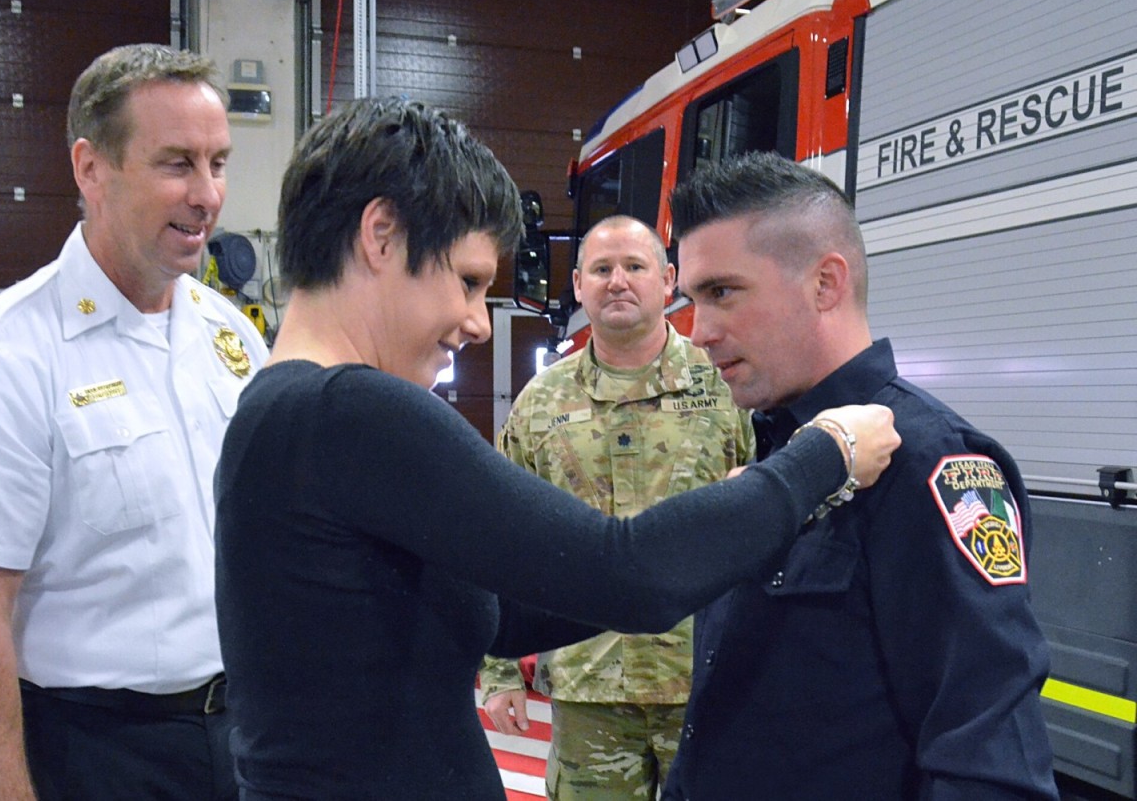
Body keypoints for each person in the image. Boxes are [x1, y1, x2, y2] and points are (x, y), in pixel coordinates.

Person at [212, 96, 899, 800]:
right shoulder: (348, 410)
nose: (479, 323)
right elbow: (625, 575)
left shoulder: (282, 412)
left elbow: (508, 610)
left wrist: (718, 543)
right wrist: (825, 455)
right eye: (470, 281)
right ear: (381, 236)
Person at [666, 150, 1058, 799]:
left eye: (722, 293)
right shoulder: (776, 447)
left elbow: (988, 758)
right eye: (691, 300)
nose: (700, 332)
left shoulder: (933, 464)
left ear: (826, 284)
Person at [0, 44, 268, 800]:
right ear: (91, 168)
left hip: (241, 736)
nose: (208, 194)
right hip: (93, 754)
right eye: (177, 163)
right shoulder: (8, 359)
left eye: (218, 163)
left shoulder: (234, 338)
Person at [479, 214, 753, 799]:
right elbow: (499, 540)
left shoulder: (727, 385)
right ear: (578, 286)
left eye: (634, 266)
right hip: (589, 689)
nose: (617, 281)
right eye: (601, 269)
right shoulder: (540, 403)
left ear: (668, 280)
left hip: (707, 679)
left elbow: (774, 516)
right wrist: (500, 670)